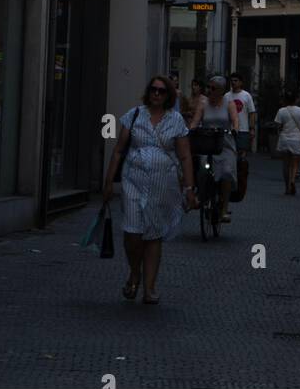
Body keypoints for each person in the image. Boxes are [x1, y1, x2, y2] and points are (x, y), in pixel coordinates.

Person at [102, 74, 197, 304]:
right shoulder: (134, 115)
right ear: (148, 92)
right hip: (133, 182)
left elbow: (185, 156)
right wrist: (107, 183)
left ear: (168, 95)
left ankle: (149, 287)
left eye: (161, 91)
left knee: (153, 234)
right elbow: (118, 150)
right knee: (133, 232)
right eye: (153, 89)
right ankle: (135, 272)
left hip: (162, 185)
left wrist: (190, 188)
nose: (156, 94)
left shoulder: (176, 121)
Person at [190, 76, 239, 223]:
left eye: (213, 88)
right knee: (203, 169)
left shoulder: (229, 104)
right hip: (207, 143)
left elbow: (235, 120)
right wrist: (191, 129)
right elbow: (195, 121)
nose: (209, 91)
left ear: (221, 91)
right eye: (208, 87)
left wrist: (235, 129)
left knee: (227, 171)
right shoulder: (203, 104)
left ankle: (224, 209)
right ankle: (202, 196)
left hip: (225, 144)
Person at [274, 89, 300, 195]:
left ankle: (287, 187)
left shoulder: (281, 111)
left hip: (285, 138)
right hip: (296, 138)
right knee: (295, 163)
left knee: (285, 164)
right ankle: (293, 180)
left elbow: (278, 126)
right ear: (296, 99)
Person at [224, 72, 256, 156]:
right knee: (230, 152)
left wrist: (252, 128)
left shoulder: (246, 95)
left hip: (243, 129)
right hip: (230, 129)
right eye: (232, 81)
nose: (233, 82)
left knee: (242, 152)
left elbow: (252, 113)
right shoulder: (227, 96)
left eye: (236, 80)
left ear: (241, 82)